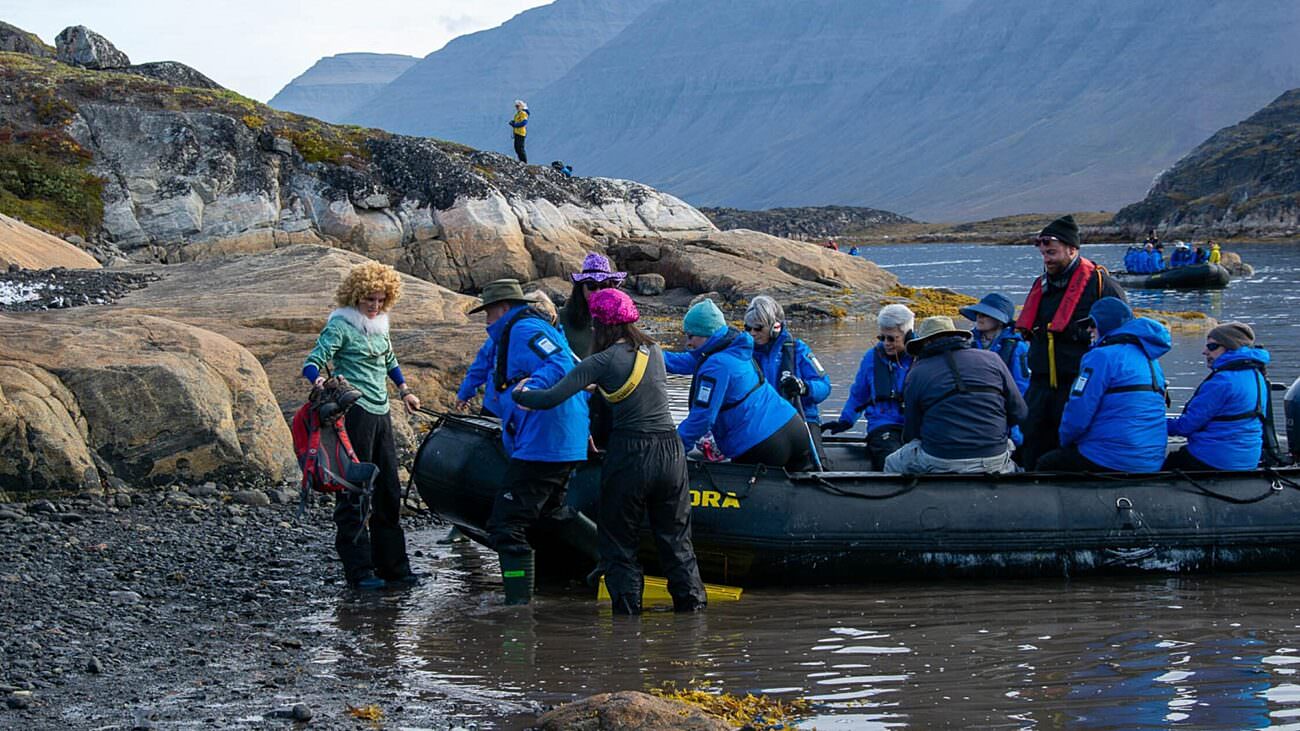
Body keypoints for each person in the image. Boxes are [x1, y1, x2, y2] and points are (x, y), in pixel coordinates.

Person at [514, 289, 706, 614]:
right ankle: (692, 620)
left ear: (601, 326)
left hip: (632, 453)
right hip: (671, 453)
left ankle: (627, 632)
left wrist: (522, 393)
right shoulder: (654, 350)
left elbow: (549, 397)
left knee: (620, 545)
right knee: (676, 542)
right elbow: (634, 388)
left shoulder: (600, 361)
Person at [303, 261, 421, 590]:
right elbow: (312, 361)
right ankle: (360, 572)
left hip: (381, 413)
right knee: (355, 491)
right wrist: (320, 381)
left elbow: (390, 361)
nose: (375, 305)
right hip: (353, 414)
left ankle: (395, 569)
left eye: (381, 300)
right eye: (370, 299)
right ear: (356, 296)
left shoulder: (380, 326)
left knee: (388, 491)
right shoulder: (340, 325)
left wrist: (405, 391)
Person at [473, 278, 590, 604]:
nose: (486, 322)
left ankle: (516, 611)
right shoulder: (519, 332)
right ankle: (612, 560)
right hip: (562, 439)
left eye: (488, 313)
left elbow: (561, 363)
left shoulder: (524, 330)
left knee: (505, 526)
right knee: (553, 513)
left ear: (503, 308)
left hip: (548, 443)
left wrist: (530, 388)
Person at [1015, 214, 1126, 469]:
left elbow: (1122, 332)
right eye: (1043, 254)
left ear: (1072, 249)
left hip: (1077, 384)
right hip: (1041, 384)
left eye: (1052, 252)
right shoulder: (1042, 285)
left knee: (1070, 443)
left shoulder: (1101, 285)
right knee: (1031, 442)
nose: (1046, 259)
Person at [665, 299, 812, 470]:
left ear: (707, 335)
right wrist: (649, 354)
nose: (687, 342)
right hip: (794, 427)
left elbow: (702, 418)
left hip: (762, 442)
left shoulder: (716, 365)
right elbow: (684, 361)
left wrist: (672, 450)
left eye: (691, 336)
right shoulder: (734, 349)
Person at [1037, 298, 1171, 473]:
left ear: (1105, 324)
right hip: (1151, 460)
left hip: (1111, 458)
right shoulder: (1151, 360)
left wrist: (1064, 441)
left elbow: (1079, 411)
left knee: (1047, 463)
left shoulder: (1101, 357)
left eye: (1092, 324)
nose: (1089, 330)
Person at [883, 316, 1026, 474]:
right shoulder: (993, 359)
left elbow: (911, 432)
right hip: (994, 457)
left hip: (941, 459)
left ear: (925, 343)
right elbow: (1019, 413)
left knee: (892, 462)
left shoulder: (917, 372)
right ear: (958, 337)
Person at [1165, 322, 1272, 471]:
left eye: (1212, 346)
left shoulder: (1222, 381)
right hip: (1248, 458)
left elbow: (1186, 426)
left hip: (1215, 459)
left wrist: (1152, 423)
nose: (1205, 352)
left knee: (1167, 463)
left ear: (1230, 347)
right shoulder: (1257, 375)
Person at [822, 304, 914, 469]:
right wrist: (845, 421)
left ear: (908, 336)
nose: (886, 343)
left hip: (916, 425)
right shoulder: (871, 358)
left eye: (892, 338)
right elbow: (859, 395)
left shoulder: (921, 357)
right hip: (883, 424)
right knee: (889, 457)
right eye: (882, 338)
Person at [745, 295, 832, 466]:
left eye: (758, 328)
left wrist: (804, 387)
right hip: (763, 422)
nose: (752, 333)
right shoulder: (745, 354)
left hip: (802, 418)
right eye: (748, 328)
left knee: (815, 463)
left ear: (774, 326)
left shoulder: (798, 350)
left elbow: (825, 385)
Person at [960, 292, 1029, 447]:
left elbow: (1021, 388)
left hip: (1001, 414)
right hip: (969, 411)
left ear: (1000, 320)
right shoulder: (966, 342)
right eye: (978, 313)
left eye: (985, 314)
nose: (979, 317)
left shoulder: (1016, 347)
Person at [561, 252, 626, 359]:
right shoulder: (562, 319)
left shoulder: (621, 321)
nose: (598, 291)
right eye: (592, 286)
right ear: (581, 288)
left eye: (604, 286)